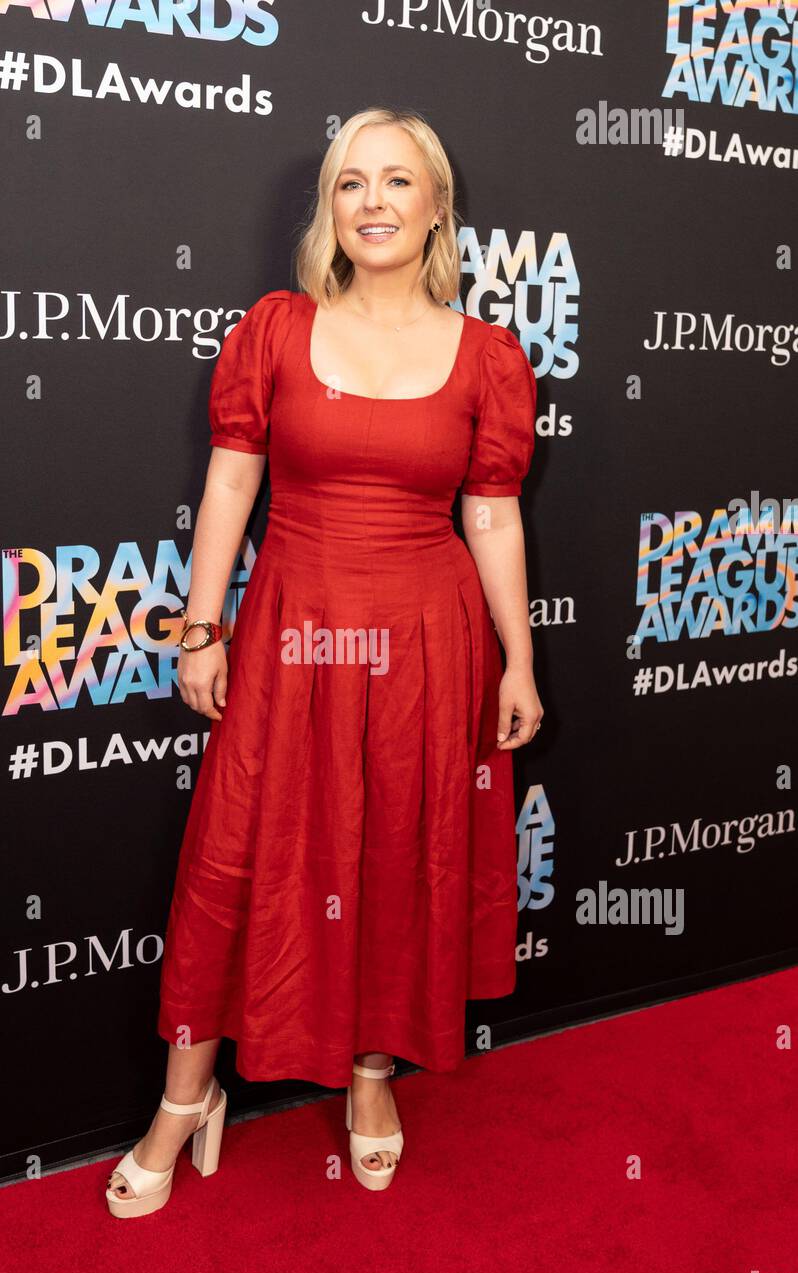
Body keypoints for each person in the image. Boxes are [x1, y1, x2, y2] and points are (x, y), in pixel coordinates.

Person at [106, 105, 542, 1214]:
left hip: (427, 643)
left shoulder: (487, 355)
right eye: (352, 183)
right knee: (237, 853)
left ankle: (369, 1072)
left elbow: (490, 514)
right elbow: (231, 482)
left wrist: (517, 662)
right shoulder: (273, 329)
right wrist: (200, 625)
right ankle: (184, 1094)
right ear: (329, 209)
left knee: (397, 850)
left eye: (399, 181)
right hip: (293, 631)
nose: (375, 203)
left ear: (437, 206)